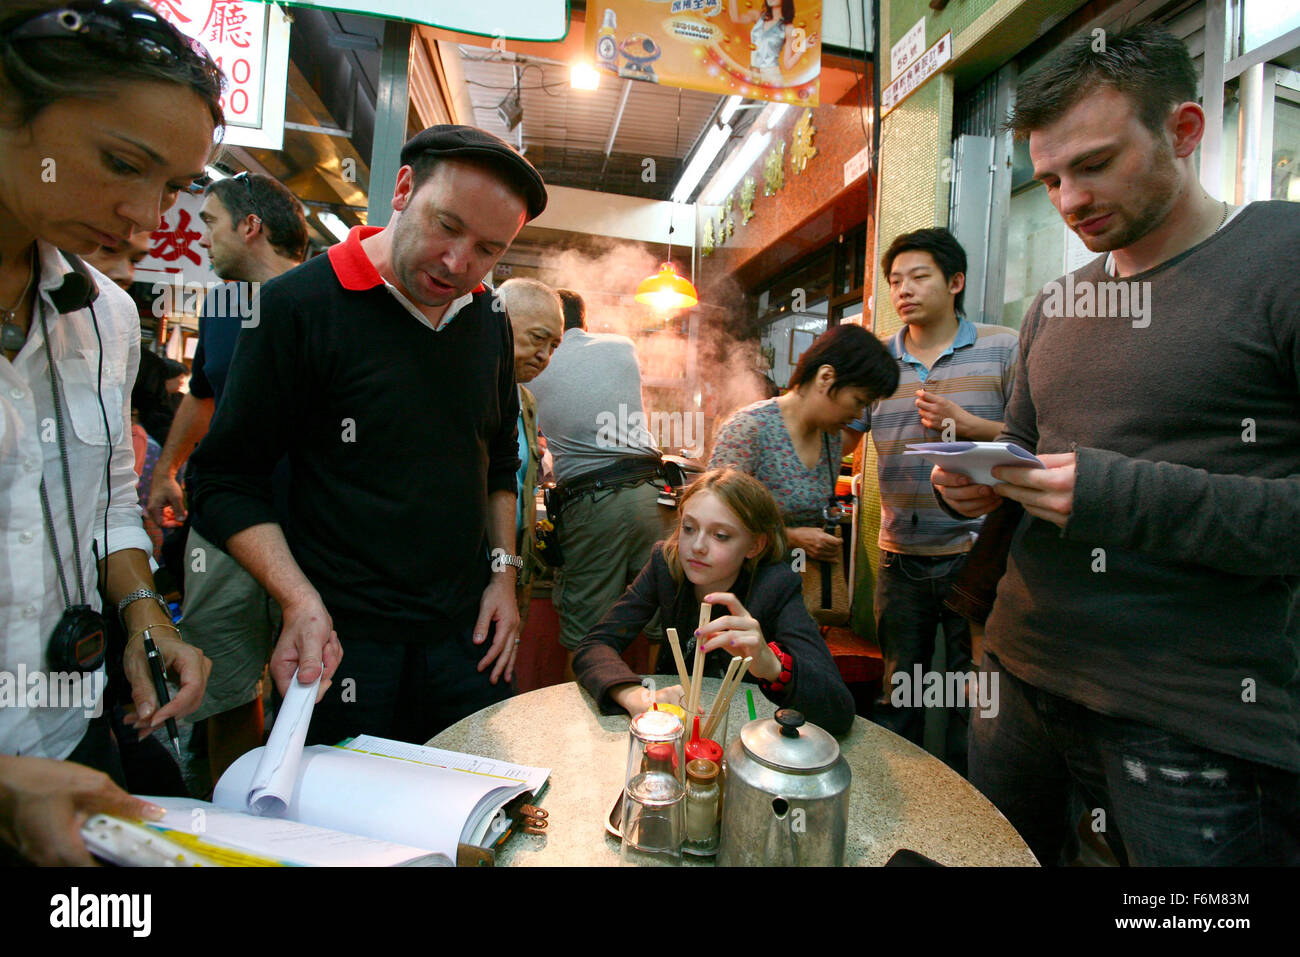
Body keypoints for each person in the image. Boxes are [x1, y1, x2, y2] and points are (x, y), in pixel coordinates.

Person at [931, 24, 1300, 865]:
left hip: (1191, 720)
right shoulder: (1057, 305)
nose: (1068, 200)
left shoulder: (1282, 258)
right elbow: (1023, 449)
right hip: (1020, 678)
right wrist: (984, 485)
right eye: (1051, 177)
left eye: (1094, 164)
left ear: (1183, 130)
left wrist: (1113, 495)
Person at [187, 125, 549, 747]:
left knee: (474, 813)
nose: (459, 263)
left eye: (488, 249)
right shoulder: (297, 306)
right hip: (340, 639)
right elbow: (222, 480)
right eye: (447, 226)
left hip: (469, 637)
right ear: (403, 189)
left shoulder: (488, 318)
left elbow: (496, 462)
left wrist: (503, 577)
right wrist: (296, 599)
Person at [0, 0, 217, 864]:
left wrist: (139, 611)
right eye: (121, 163)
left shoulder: (107, 317)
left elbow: (105, 498)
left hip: (71, 746)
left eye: (169, 186)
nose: (143, 214)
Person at [146, 171, 308, 783]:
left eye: (210, 221)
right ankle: (229, 809)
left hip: (308, 526)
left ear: (250, 225)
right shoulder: (221, 306)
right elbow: (203, 393)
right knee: (225, 677)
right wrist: (166, 470)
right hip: (224, 524)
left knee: (310, 680)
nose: (201, 234)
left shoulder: (325, 300)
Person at [842, 228, 1017, 774]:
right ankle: (907, 814)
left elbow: (1035, 439)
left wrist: (972, 427)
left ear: (956, 282)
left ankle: (973, 824)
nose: (904, 290)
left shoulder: (1002, 347)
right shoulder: (877, 363)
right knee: (900, 697)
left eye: (919, 277)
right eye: (895, 281)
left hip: (981, 556)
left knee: (978, 701)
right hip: (900, 556)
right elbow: (843, 438)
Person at [573, 468, 854, 735]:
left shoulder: (775, 585)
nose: (697, 546)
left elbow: (839, 711)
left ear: (755, 545)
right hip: (677, 730)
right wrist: (636, 695)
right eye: (689, 528)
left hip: (744, 737)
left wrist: (772, 666)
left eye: (720, 535)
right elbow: (594, 645)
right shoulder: (667, 564)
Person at [526, 288, 677, 679]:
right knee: (663, 620)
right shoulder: (622, 346)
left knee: (585, 632)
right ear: (584, 320)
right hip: (654, 496)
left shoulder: (534, 360)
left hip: (594, 504)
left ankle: (581, 727)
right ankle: (663, 718)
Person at [709, 323, 898, 567]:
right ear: (825, 377)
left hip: (796, 588)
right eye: (858, 401)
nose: (859, 413)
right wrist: (791, 539)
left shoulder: (829, 438)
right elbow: (712, 519)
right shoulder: (749, 428)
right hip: (745, 587)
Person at [496, 277, 564, 626]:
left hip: (508, 576)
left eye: (554, 346)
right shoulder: (465, 391)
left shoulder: (526, 402)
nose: (545, 356)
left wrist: (518, 577)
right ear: (500, 321)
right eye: (538, 339)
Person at [727, 0, 816, 83]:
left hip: (771, 77)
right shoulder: (758, 16)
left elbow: (788, 65)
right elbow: (735, 18)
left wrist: (803, 46)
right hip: (752, 73)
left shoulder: (788, 28)